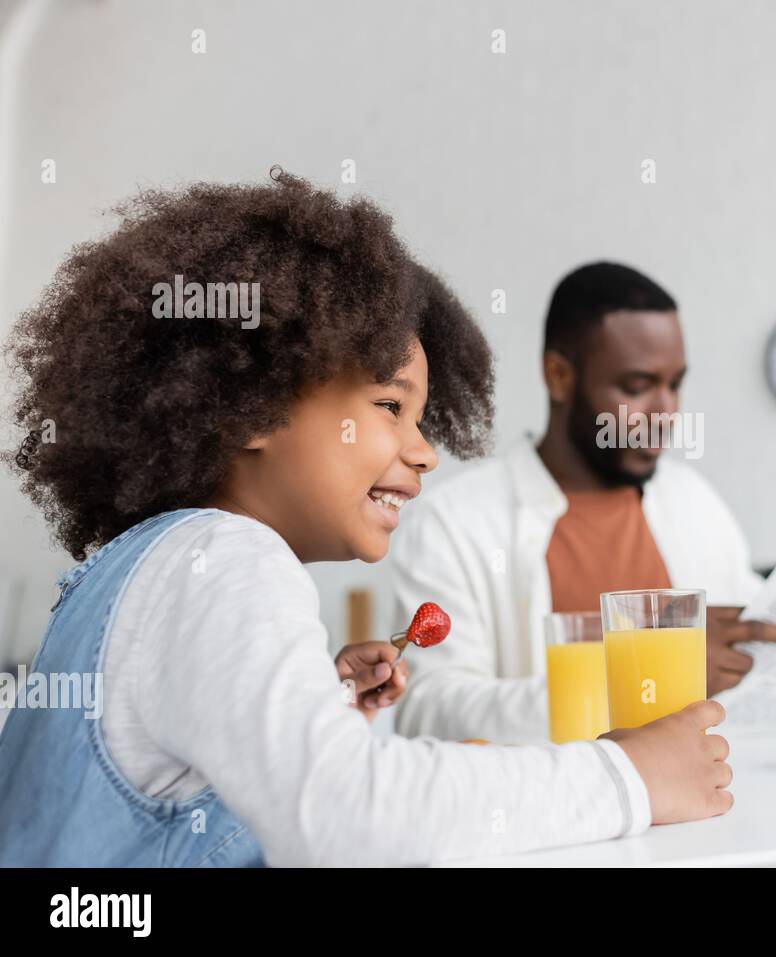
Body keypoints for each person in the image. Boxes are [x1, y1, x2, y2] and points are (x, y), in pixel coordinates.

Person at [0, 174, 730, 866]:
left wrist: (324, 717)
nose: (424, 452)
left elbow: (240, 794)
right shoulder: (225, 558)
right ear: (253, 408)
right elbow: (347, 817)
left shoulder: (158, 560)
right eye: (390, 407)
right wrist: (627, 775)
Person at [392, 262, 776, 744]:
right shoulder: (456, 522)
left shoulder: (692, 501)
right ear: (559, 375)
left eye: (675, 384)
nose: (666, 413)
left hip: (705, 811)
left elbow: (756, 643)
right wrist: (651, 672)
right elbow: (428, 711)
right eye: (637, 387)